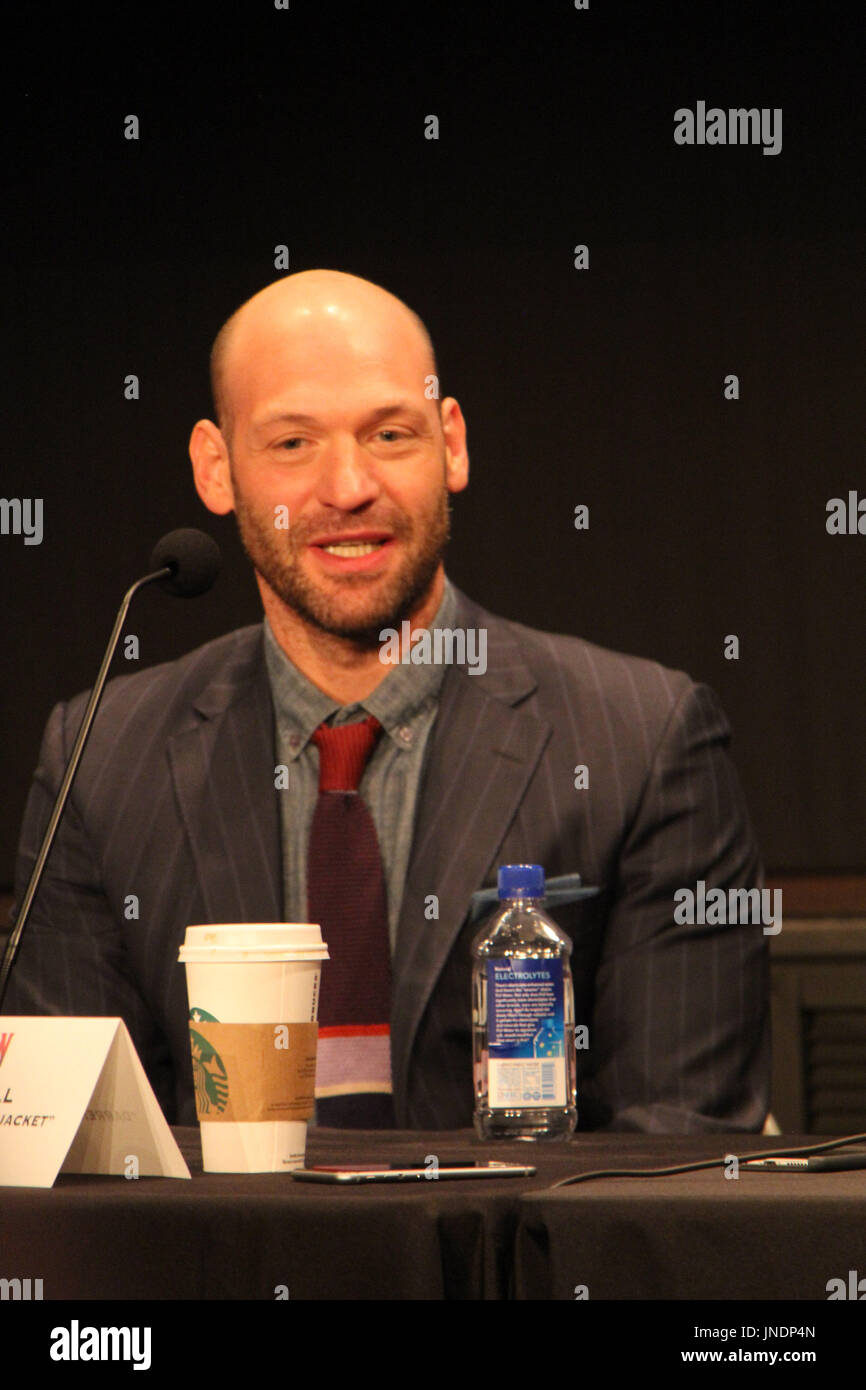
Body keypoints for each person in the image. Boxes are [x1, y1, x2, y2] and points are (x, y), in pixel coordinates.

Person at [5, 269, 770, 1131]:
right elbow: (68, 1147)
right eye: (292, 443)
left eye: (390, 434)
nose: (347, 487)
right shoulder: (101, 755)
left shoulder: (643, 737)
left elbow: (677, 1150)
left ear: (452, 444)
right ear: (216, 470)